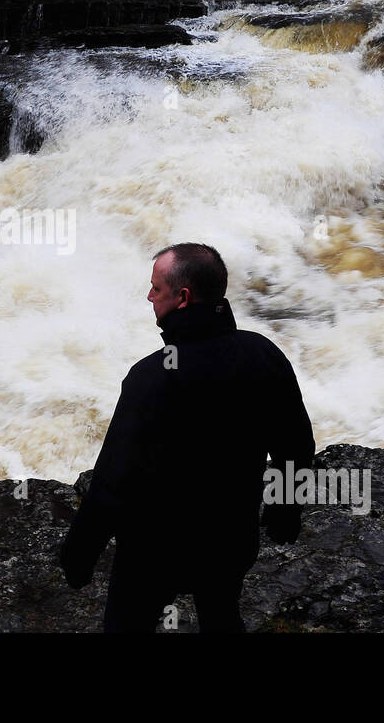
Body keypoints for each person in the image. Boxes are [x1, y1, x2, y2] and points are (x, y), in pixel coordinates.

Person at [58, 242, 316, 632]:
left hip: (153, 551)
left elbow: (113, 479)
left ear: (182, 298)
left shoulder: (151, 376)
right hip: (230, 540)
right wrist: (285, 515)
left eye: (156, 288)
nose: (148, 296)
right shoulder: (263, 354)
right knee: (222, 616)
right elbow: (294, 445)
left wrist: (79, 555)